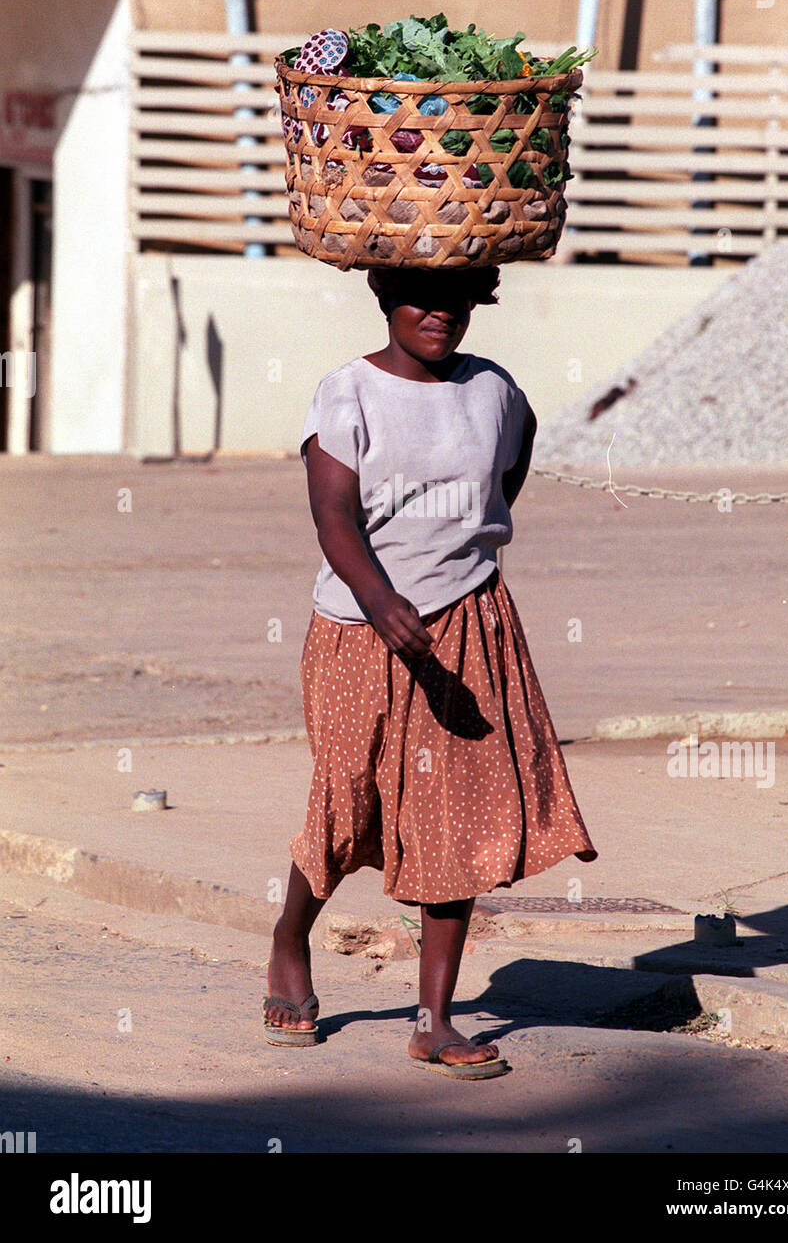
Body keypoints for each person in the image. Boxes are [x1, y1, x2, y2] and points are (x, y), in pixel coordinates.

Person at [263, 263, 597, 1079]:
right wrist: (380, 601)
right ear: (385, 300)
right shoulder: (347, 393)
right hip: (358, 628)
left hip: (470, 625)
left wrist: (461, 568)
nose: (439, 315)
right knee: (346, 795)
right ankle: (288, 940)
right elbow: (332, 513)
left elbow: (503, 483)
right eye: (420, 298)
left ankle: (433, 1019)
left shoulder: (495, 392)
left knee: (460, 811)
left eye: (456, 301)